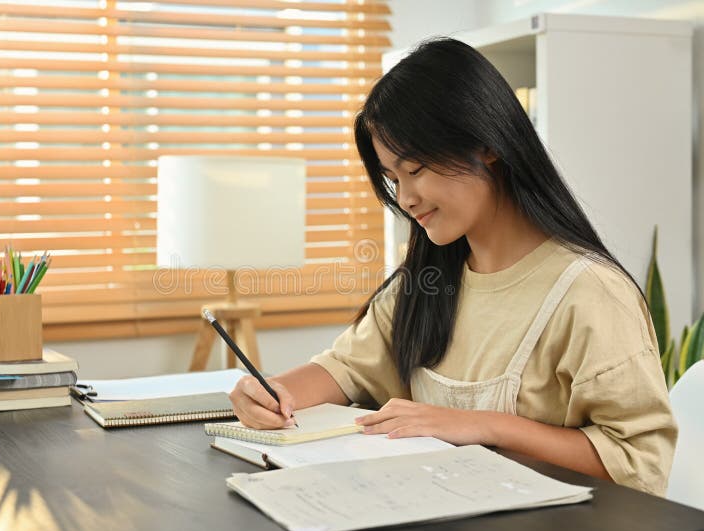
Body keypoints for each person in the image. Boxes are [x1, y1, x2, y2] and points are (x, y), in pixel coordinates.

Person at [228, 37, 677, 496]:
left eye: (416, 169)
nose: (404, 199)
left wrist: (483, 426)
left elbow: (636, 462)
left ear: (486, 145)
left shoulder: (589, 293)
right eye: (393, 179)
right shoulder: (425, 282)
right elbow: (346, 369)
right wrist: (272, 392)